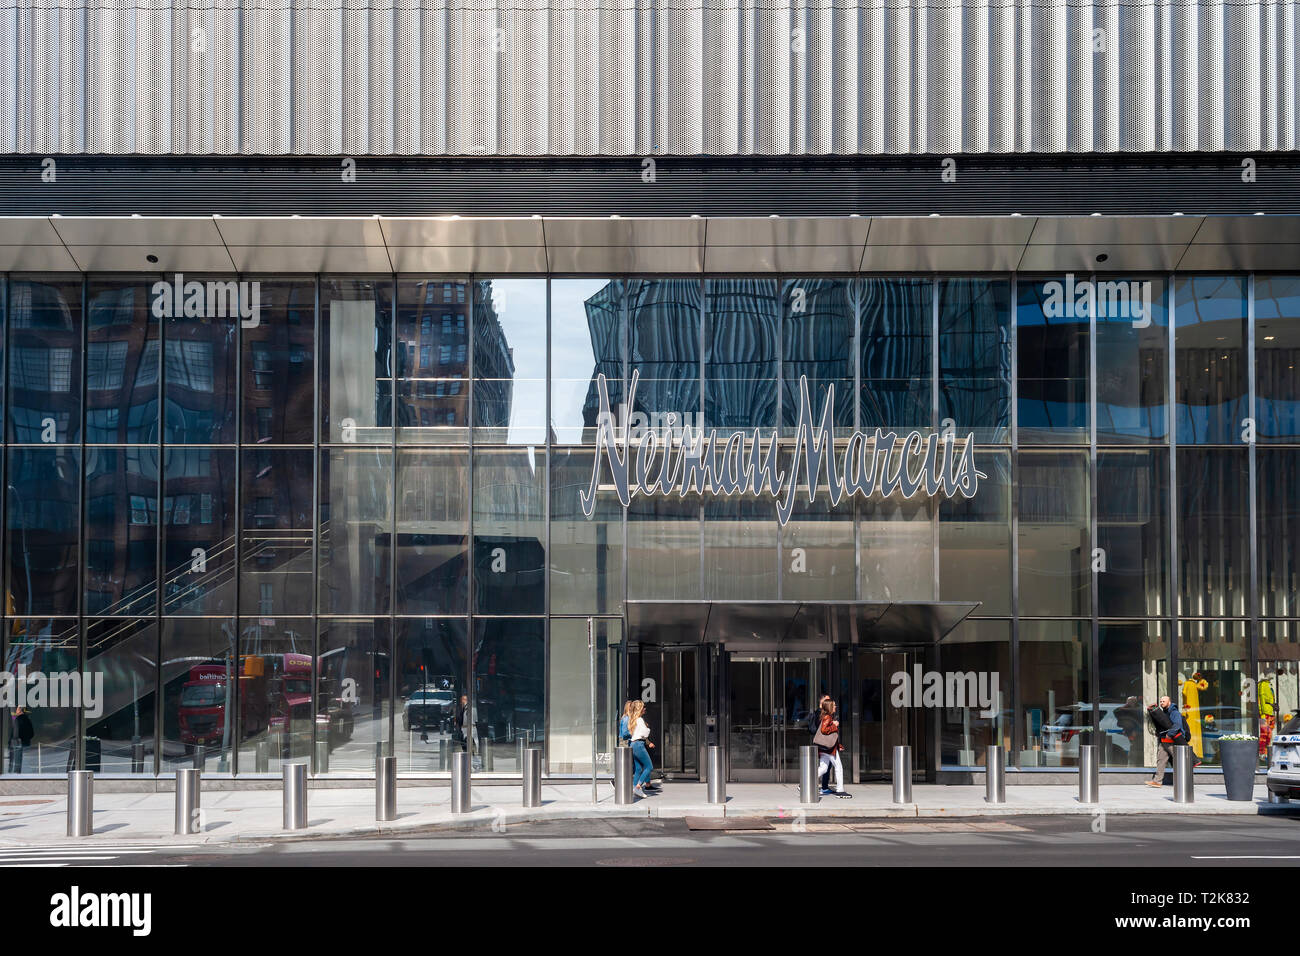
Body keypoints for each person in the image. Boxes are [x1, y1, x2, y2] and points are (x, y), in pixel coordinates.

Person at [1145, 695, 1187, 787]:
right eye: (1160, 701)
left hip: (1173, 740)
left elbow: (1177, 725)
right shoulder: (1163, 713)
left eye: (1163, 701)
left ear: (1169, 702)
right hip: (1164, 740)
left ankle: (1183, 781)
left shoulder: (1174, 712)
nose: (1161, 703)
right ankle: (1157, 781)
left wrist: (1170, 734)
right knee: (1161, 760)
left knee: (1179, 761)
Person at [815, 698, 851, 798]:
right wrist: (835, 726)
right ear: (830, 706)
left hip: (824, 748)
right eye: (834, 705)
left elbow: (830, 736)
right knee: (838, 767)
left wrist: (838, 745)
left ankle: (806, 782)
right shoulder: (828, 717)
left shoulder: (825, 716)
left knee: (823, 768)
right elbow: (824, 730)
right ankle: (840, 790)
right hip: (829, 749)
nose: (836, 707)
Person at [627, 700, 657, 797]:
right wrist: (648, 729)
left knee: (639, 769)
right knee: (649, 766)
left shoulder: (633, 720)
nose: (645, 709)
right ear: (639, 709)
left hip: (633, 744)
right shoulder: (640, 720)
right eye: (643, 707)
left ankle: (635, 788)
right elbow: (645, 733)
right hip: (639, 744)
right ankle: (638, 787)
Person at [10, 706, 33, 774]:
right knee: (24, 762)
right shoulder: (26, 719)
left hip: (18, 743)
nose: (16, 711)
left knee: (17, 762)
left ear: (20, 711)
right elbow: (31, 733)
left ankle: (17, 775)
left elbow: (15, 733)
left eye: (17, 710)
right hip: (24, 743)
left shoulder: (19, 719)